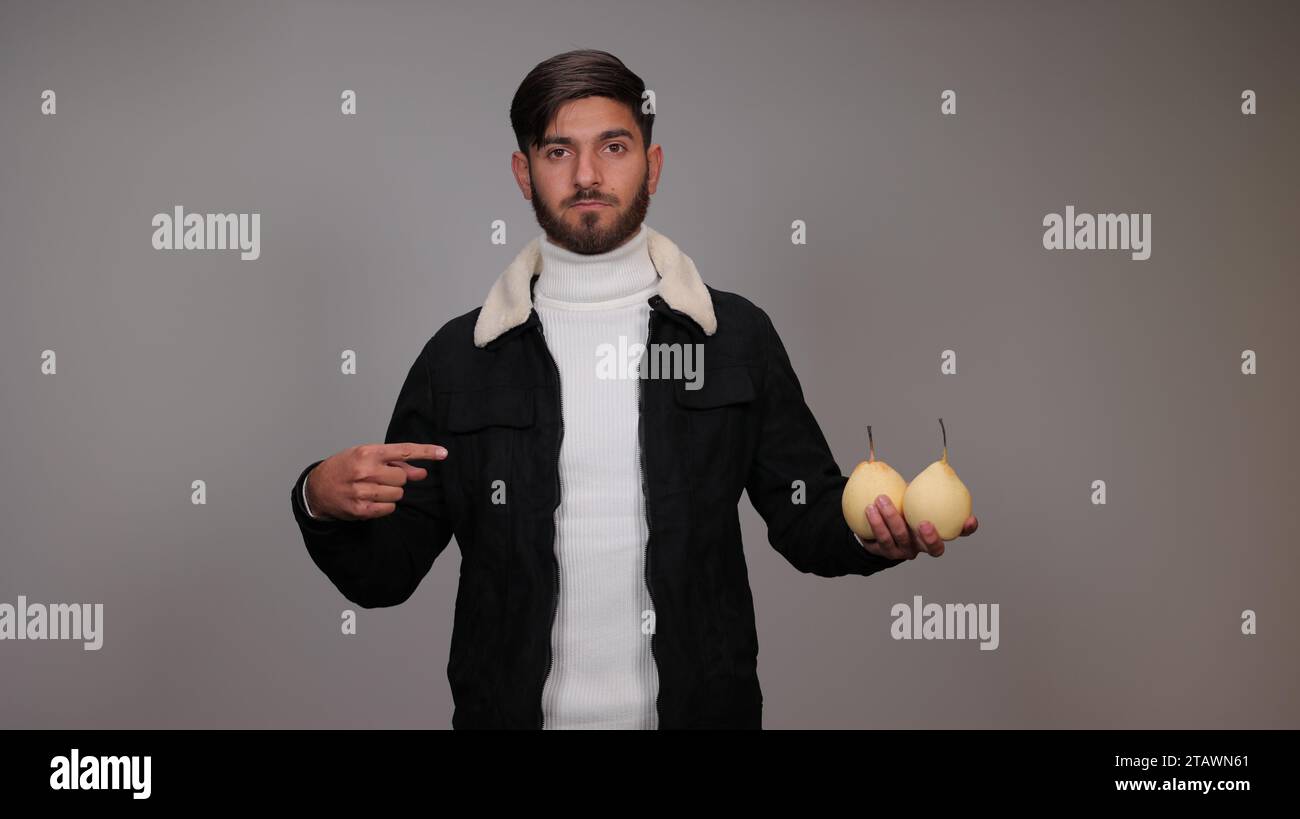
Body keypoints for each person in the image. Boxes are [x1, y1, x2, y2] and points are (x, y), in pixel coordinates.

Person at [290, 49, 977, 730]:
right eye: (558, 152)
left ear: (651, 165)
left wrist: (873, 531)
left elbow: (805, 516)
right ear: (522, 173)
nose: (587, 175)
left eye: (612, 146)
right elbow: (385, 573)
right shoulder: (460, 360)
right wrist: (317, 498)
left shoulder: (732, 336)